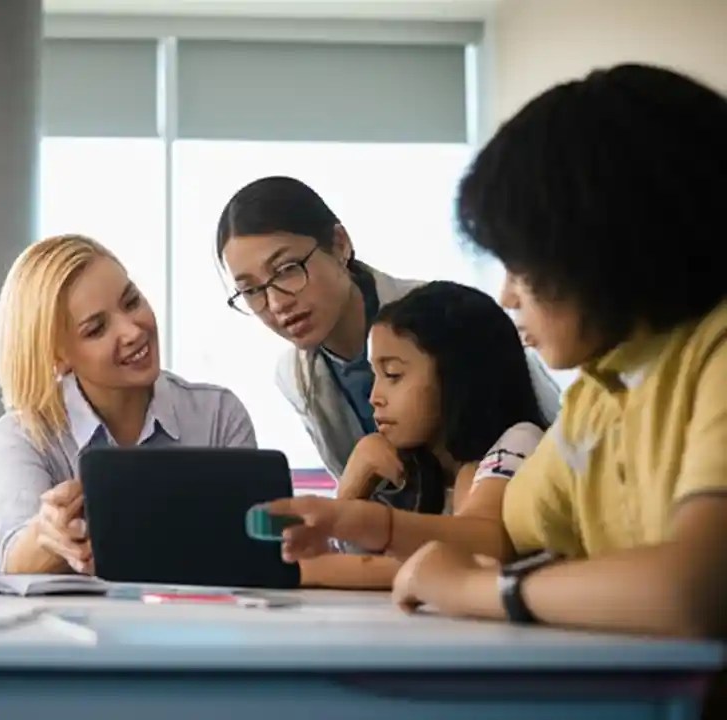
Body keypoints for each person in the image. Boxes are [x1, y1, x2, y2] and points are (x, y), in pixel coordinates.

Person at [274, 65, 727, 646]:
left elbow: (695, 590)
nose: (509, 296)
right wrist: (363, 520)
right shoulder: (601, 391)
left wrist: (480, 592)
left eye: (523, 266)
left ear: (605, 246)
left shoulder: (712, 356)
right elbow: (497, 536)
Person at [215, 176, 561, 484]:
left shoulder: (444, 315)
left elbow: (550, 431)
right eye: (250, 291)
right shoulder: (294, 375)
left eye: (287, 269)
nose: (276, 304)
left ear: (339, 245)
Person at [0, 234, 257, 575]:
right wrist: (49, 533)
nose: (132, 331)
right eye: (97, 329)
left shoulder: (218, 415)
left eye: (131, 302)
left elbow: (251, 555)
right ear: (58, 357)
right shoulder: (24, 436)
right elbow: (12, 562)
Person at [273, 281, 548, 589]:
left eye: (393, 375)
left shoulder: (519, 441)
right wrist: (351, 485)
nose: (375, 396)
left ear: (458, 377)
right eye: (375, 376)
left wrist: (313, 571)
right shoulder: (405, 469)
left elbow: (475, 554)